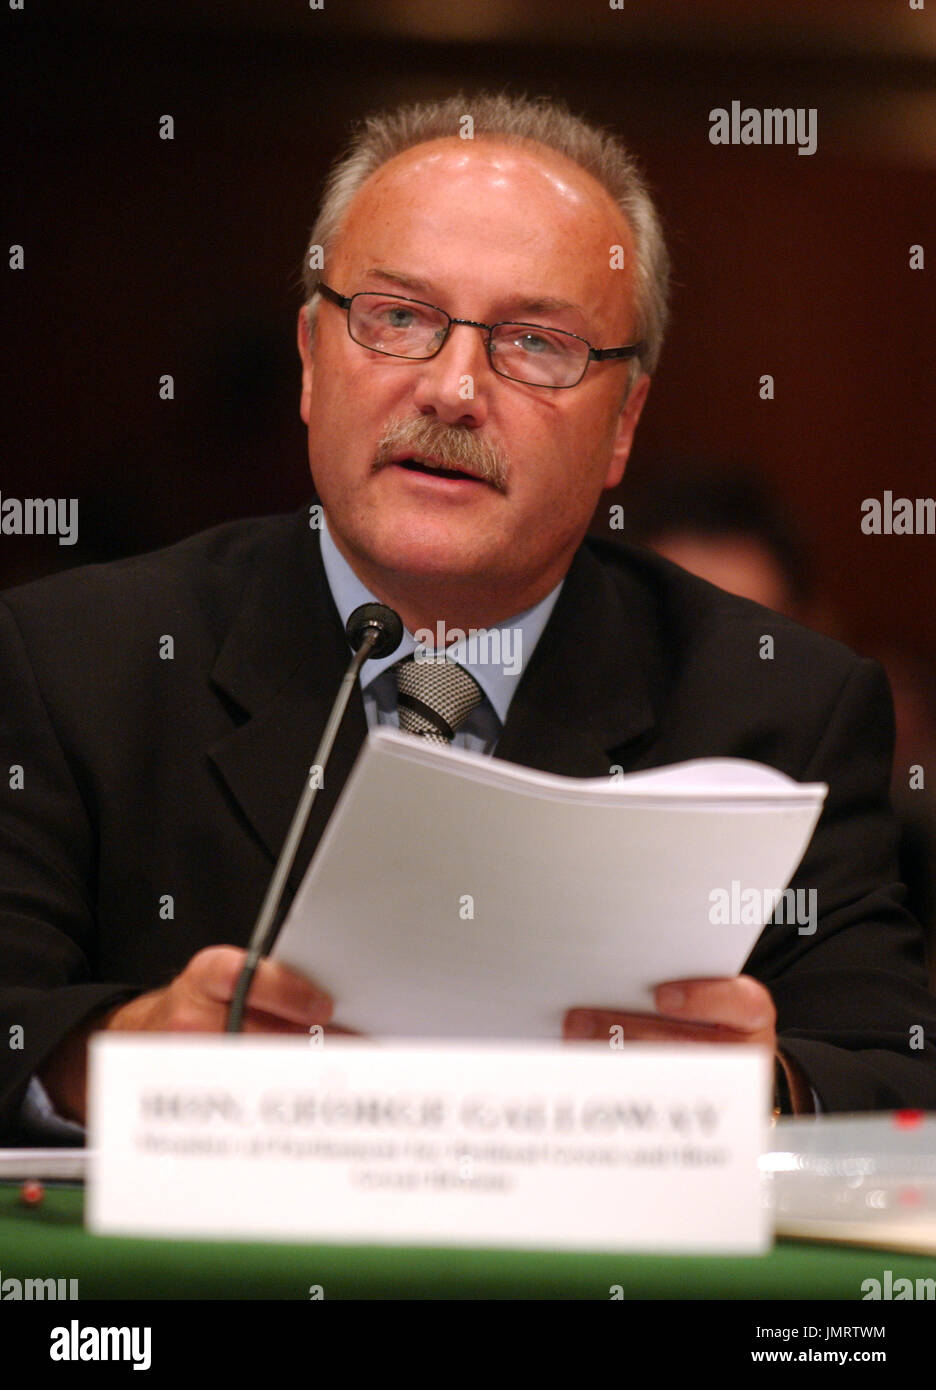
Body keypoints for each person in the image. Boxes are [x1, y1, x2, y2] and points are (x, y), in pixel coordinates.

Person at [2, 92, 934, 1141]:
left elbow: (896, 1077)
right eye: (399, 317)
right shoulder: (72, 663)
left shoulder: (779, 704)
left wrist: (760, 1090)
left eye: (535, 342)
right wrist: (109, 1063)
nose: (452, 389)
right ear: (311, 358)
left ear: (624, 422)